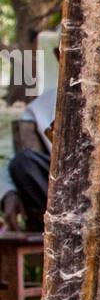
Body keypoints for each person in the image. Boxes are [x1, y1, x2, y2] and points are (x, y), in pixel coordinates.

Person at [0, 45, 57, 233]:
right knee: (24, 163)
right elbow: (16, 163)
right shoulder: (38, 108)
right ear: (59, 55)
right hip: (59, 195)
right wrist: (8, 192)